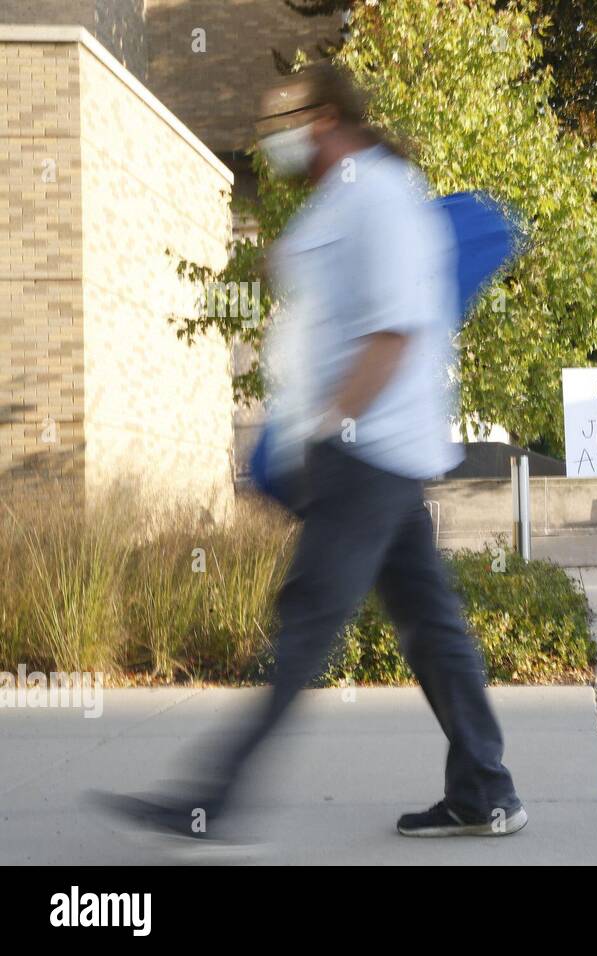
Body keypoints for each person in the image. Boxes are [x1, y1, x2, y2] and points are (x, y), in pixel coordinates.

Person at [97, 62, 525, 846]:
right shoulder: (344, 198)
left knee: (303, 624)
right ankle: (485, 791)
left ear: (327, 117)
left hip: (366, 455)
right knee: (429, 625)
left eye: (283, 122)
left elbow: (393, 333)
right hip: (374, 457)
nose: (274, 138)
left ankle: (212, 799)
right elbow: (314, 288)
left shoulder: (386, 196)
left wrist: (327, 431)